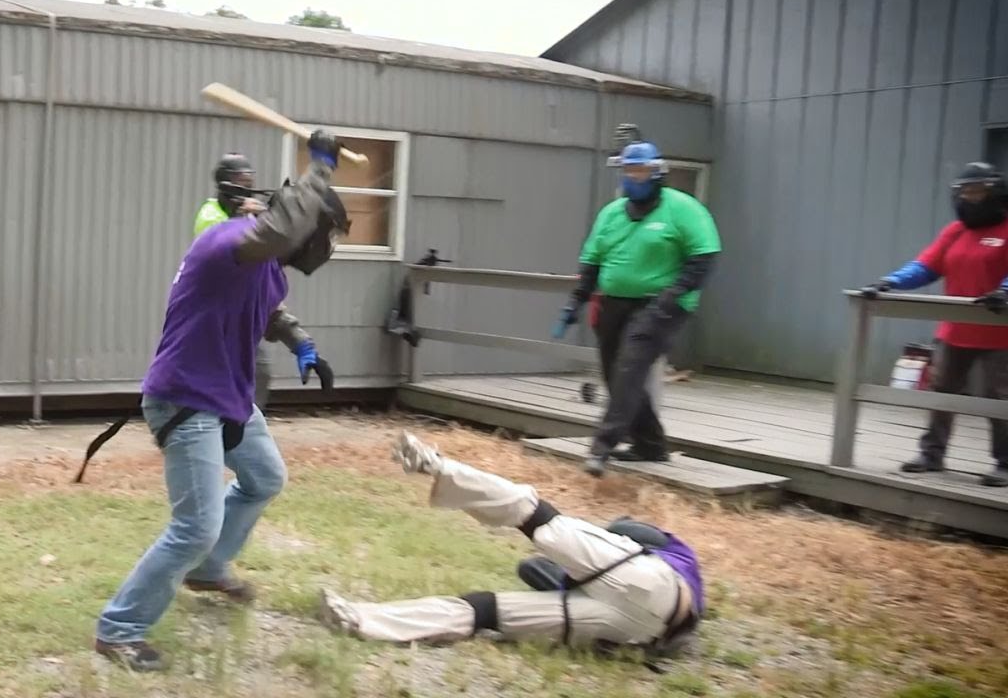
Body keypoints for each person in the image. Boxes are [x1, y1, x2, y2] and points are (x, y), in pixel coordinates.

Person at [93, 130, 349, 672]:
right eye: (327, 234)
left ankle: (209, 569)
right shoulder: (227, 241)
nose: (328, 248)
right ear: (301, 224)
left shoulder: (264, 264)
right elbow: (275, 234)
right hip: (185, 397)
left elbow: (272, 310)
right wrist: (319, 169)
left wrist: (303, 345)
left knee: (265, 477)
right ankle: (119, 629)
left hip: (225, 396)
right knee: (194, 524)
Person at [318, 432, 703, 661]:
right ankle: (358, 619)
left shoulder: (676, 552)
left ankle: (436, 466)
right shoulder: (681, 569)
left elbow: (627, 530)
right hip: (636, 630)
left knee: (537, 517)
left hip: (648, 593)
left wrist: (588, 546)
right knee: (483, 611)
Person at [552, 141, 722, 477]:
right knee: (617, 375)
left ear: (657, 172)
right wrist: (576, 301)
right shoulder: (612, 213)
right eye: (629, 171)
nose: (635, 178)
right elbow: (592, 262)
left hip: (662, 303)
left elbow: (703, 259)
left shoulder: (683, 209)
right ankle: (651, 445)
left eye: (642, 171)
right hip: (614, 302)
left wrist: (672, 296)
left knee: (631, 366)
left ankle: (602, 447)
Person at [859, 161, 1008, 488]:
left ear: (995, 192)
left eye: (978, 191)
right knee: (941, 392)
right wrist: (890, 282)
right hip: (955, 330)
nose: (971, 198)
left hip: (1000, 335)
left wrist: (1004, 291)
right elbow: (926, 265)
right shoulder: (955, 231)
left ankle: (1004, 463)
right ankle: (932, 454)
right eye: (965, 192)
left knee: (998, 398)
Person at [192, 152, 294, 410]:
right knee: (241, 374)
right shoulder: (211, 215)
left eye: (249, 182)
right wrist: (248, 218)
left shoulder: (244, 215)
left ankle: (239, 428)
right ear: (225, 184)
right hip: (215, 315)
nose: (247, 189)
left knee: (257, 372)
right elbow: (231, 246)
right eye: (240, 181)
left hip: (240, 310)